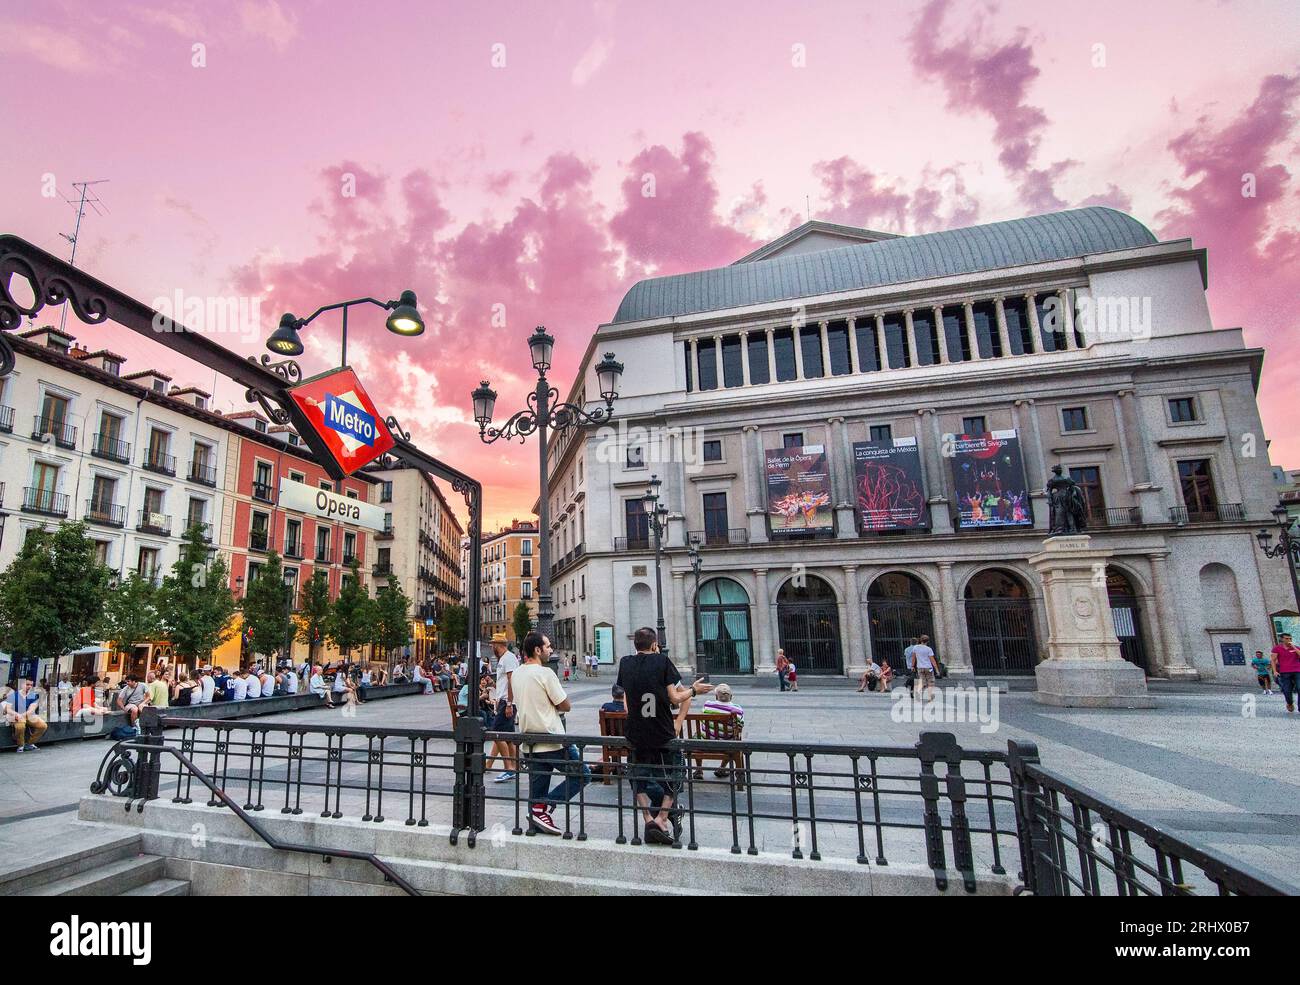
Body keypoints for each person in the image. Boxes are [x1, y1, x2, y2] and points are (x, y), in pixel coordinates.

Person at [616, 626, 713, 845]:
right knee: (676, 769)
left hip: (636, 731)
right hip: (661, 730)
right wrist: (695, 690)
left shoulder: (625, 663)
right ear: (654, 644)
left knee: (638, 773)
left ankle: (647, 817)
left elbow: (626, 698)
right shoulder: (662, 661)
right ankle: (662, 817)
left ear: (635, 645)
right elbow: (676, 698)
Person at [513, 632, 585, 835]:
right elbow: (566, 704)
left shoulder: (517, 673)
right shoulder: (546, 674)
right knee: (582, 775)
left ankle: (538, 816)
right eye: (547, 646)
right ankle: (544, 807)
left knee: (539, 786)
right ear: (537, 650)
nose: (551, 649)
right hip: (553, 740)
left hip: (529, 741)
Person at [485, 632, 519, 784]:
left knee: (496, 734)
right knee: (508, 737)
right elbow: (505, 682)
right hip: (503, 700)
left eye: (493, 644)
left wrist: (509, 703)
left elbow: (512, 681)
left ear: (498, 645)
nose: (491, 647)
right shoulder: (503, 659)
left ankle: (508, 768)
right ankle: (513, 766)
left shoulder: (509, 658)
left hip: (507, 702)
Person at [2, 679, 47, 751]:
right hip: (14, 715)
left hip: (28, 715)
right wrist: (17, 714)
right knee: (20, 727)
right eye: (27, 684)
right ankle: (20, 745)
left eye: (31, 685)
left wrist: (21, 716)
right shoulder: (13, 695)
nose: (29, 686)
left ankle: (30, 744)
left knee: (42, 725)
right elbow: (8, 709)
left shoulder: (33, 696)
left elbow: (31, 710)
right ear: (22, 685)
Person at [1271, 633, 1300, 713]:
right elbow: (1273, 660)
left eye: (1290, 638)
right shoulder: (1277, 648)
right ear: (1282, 639)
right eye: (1287, 638)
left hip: (1297, 671)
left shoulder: (1296, 647)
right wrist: (1275, 671)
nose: (1289, 640)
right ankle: (1289, 703)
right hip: (1285, 672)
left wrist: (1293, 646)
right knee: (1286, 690)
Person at [909, 636, 938, 701]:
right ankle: (929, 697)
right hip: (928, 667)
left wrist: (912, 666)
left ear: (920, 640)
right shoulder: (928, 649)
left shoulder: (915, 647)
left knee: (922, 682)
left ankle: (917, 691)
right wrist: (936, 669)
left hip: (920, 667)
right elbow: (932, 660)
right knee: (930, 682)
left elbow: (913, 657)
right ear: (927, 641)